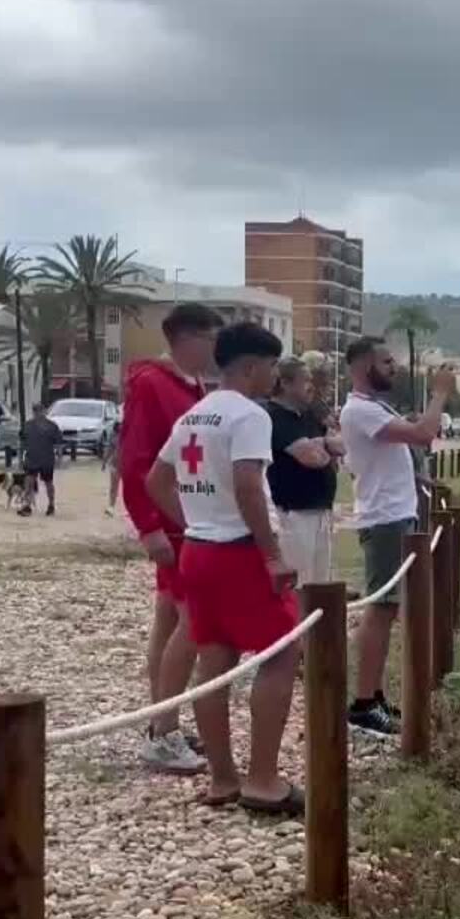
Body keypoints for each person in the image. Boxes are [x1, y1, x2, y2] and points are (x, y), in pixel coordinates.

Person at [146, 321, 303, 816]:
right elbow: (248, 485)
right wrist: (273, 554)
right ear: (252, 366)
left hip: (198, 550)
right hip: (239, 552)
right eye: (273, 366)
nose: (275, 375)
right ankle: (262, 780)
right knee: (281, 653)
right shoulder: (250, 416)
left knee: (214, 661)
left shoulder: (195, 414)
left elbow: (157, 481)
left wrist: (194, 521)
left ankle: (222, 777)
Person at [118, 302, 225, 774]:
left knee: (168, 623)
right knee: (192, 624)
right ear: (190, 338)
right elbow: (137, 459)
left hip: (189, 518)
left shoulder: (194, 386)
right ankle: (163, 733)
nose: (216, 350)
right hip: (175, 524)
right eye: (211, 340)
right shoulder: (151, 385)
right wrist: (149, 526)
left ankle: (164, 721)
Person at [339, 337, 455, 737]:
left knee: (388, 610)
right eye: (386, 361)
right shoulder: (359, 410)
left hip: (396, 514)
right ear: (361, 366)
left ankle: (375, 695)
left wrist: (417, 477)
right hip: (385, 519)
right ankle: (363, 704)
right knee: (381, 608)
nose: (394, 367)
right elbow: (424, 432)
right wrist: (440, 394)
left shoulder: (373, 409)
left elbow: (389, 456)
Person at [265, 357, 341, 587]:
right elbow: (313, 458)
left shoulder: (308, 416)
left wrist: (321, 445)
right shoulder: (274, 416)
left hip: (321, 513)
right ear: (285, 384)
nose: (311, 385)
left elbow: (339, 447)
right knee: (298, 587)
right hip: (292, 516)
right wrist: (324, 446)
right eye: (305, 380)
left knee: (319, 587)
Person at [18, 403, 61, 516]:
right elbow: (22, 443)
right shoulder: (28, 426)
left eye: (39, 411)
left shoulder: (51, 426)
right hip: (34, 458)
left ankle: (50, 504)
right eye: (36, 411)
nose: (38, 413)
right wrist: (20, 458)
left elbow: (58, 444)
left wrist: (59, 458)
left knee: (46, 483)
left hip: (43, 459)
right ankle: (28, 505)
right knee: (30, 482)